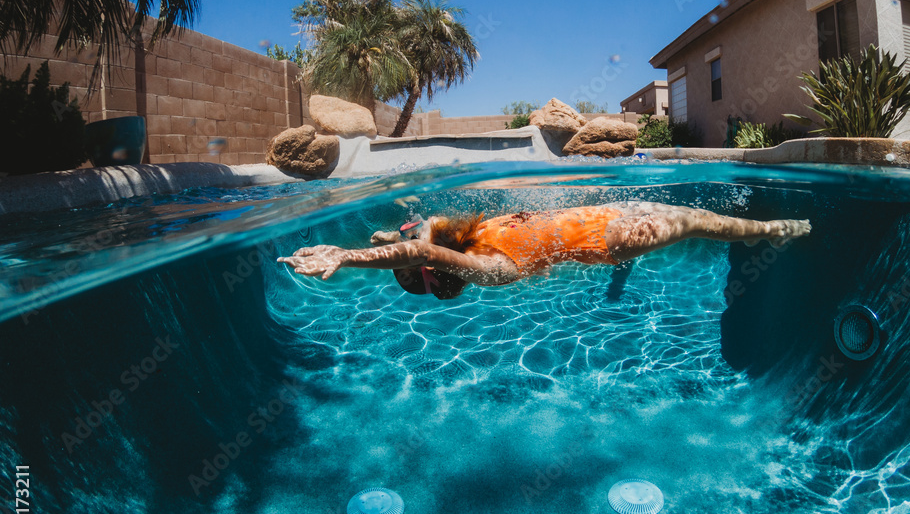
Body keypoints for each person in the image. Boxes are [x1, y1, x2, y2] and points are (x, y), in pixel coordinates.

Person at [278, 202, 811, 299]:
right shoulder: (482, 261)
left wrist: (372, 245)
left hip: (611, 222)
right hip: (614, 231)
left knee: (705, 222)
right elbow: (427, 250)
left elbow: (425, 242)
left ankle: (769, 228)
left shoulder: (466, 245)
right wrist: (356, 253)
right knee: (703, 223)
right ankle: (777, 228)